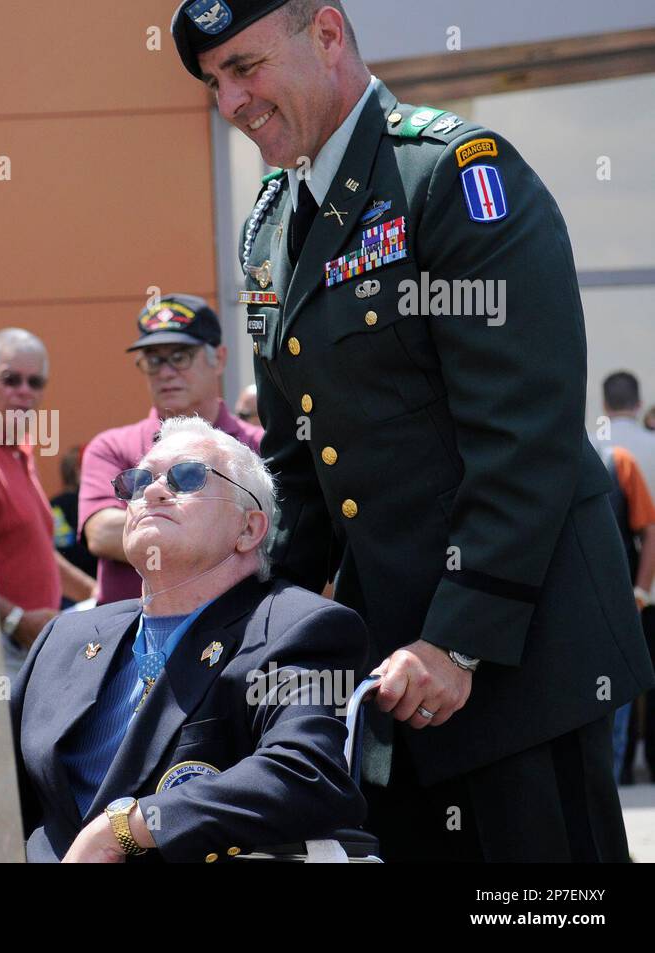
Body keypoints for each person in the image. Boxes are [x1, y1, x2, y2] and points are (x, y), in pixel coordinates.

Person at [172, 0, 654, 860]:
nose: (231, 102)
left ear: (326, 35)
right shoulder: (269, 226)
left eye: (245, 67)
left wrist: (459, 638)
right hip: (393, 674)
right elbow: (295, 466)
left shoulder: (453, 174)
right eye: (215, 82)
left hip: (515, 658)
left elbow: (524, 431)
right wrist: (230, 626)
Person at [11, 416, 367, 862]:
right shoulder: (65, 636)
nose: (153, 492)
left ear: (249, 529)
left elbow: (307, 775)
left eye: (188, 477)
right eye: (139, 481)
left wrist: (127, 828)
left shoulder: (295, 628)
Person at [79, 294, 262, 605]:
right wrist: (226, 531)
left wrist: (154, 527)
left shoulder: (258, 446)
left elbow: (283, 535)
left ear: (219, 358)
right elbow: (102, 534)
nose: (165, 372)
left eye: (180, 357)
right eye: (153, 360)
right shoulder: (112, 446)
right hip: (131, 626)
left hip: (240, 625)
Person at [0, 329, 96, 677]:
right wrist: (14, 620)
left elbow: (35, 547)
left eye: (35, 382)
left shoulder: (19, 448)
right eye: (11, 379)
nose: (25, 391)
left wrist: (94, 592)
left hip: (33, 642)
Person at [595, 371, 655, 781]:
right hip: (640, 585)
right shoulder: (641, 449)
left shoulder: (592, 446)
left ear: (604, 404)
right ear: (637, 402)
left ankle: (620, 769)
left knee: (617, 682)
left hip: (615, 586)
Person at [50, 445, 99, 594]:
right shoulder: (90, 503)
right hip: (92, 587)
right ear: (78, 472)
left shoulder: (53, 505)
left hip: (65, 588)